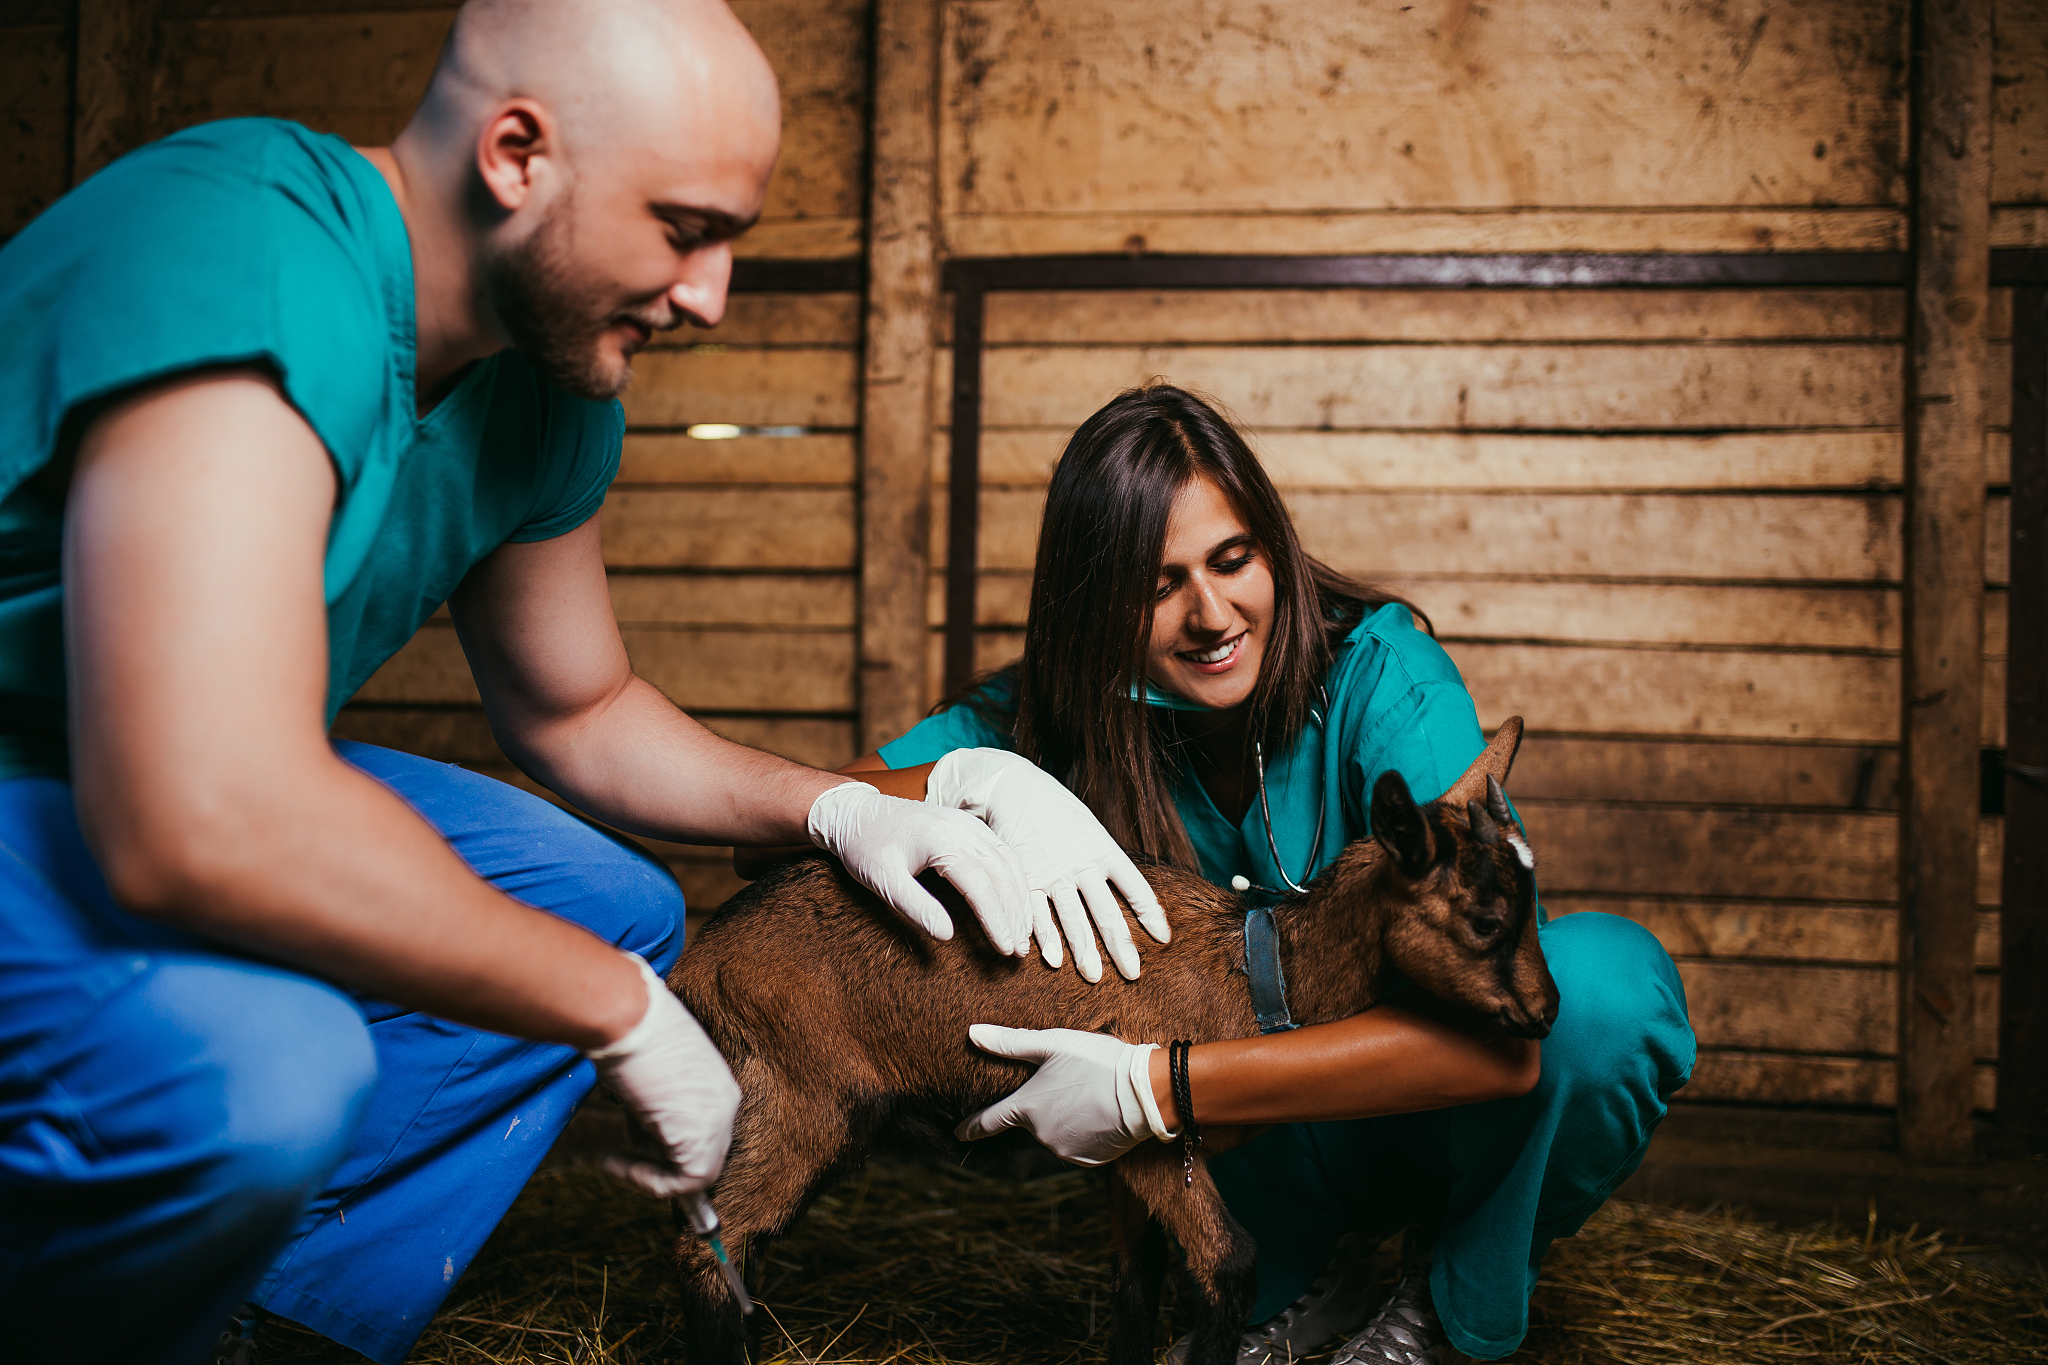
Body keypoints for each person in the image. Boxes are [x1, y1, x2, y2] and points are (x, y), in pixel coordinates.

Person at [0, 2, 1162, 1361]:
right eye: (684, 228)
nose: (711, 295)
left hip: (156, 766)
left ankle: (273, 1311)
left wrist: (844, 807)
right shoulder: (251, 254)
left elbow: (579, 709)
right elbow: (191, 815)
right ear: (515, 155)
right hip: (94, 773)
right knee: (272, 1070)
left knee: (608, 902)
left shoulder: (542, 390)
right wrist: (607, 1007)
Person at [835, 386, 1697, 1364]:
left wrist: (1154, 1085)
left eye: (1231, 559)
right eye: (1157, 585)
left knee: (1608, 994)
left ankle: (1441, 1299)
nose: (1210, 615)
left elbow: (1504, 1049)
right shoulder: (1052, 709)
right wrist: (974, 778)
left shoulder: (1385, 680)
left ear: (1273, 549)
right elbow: (792, 826)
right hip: (1243, 1168)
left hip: (1403, 1113)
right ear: (1094, 603)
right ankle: (1298, 1279)